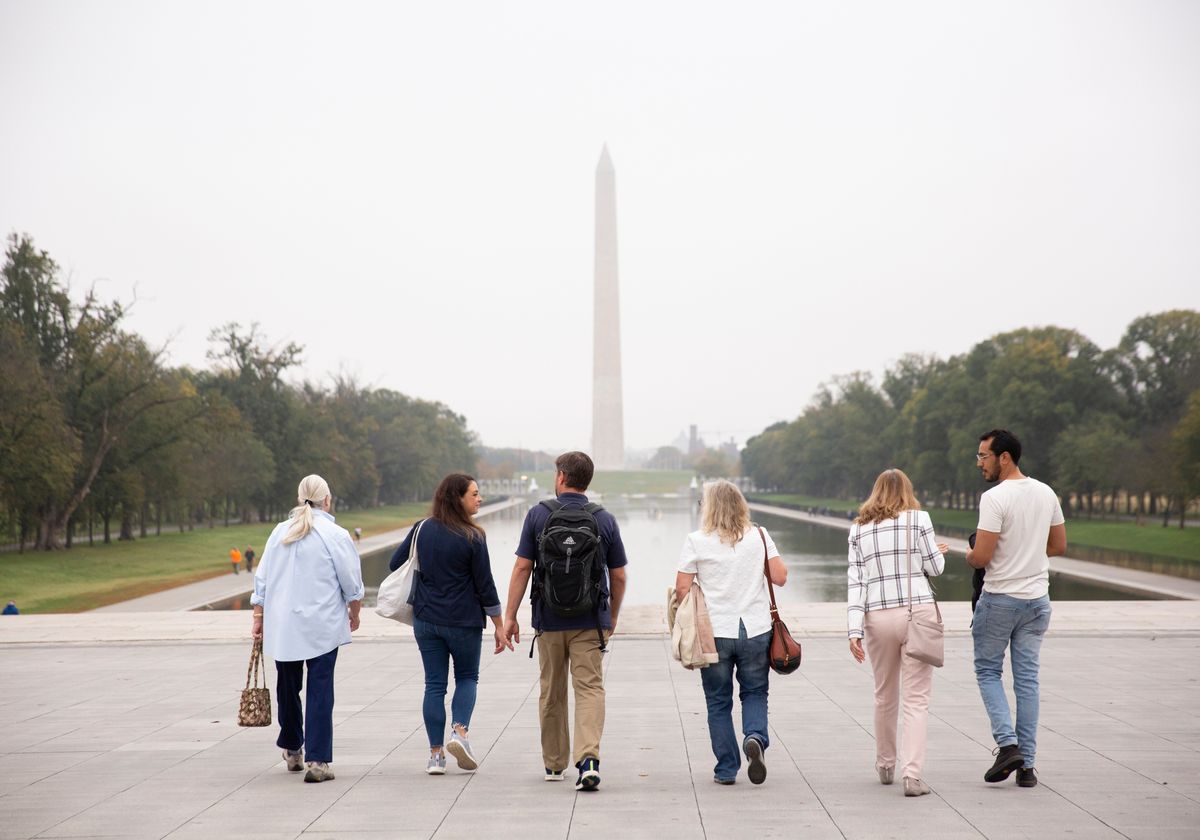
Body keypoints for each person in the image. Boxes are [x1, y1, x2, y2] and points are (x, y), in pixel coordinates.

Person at [502, 451, 628, 791]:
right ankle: (588, 760)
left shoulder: (538, 515)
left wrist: (510, 616)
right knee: (589, 689)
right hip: (590, 620)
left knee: (551, 691)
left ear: (561, 476)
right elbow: (618, 576)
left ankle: (555, 764)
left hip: (548, 618)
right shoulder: (604, 519)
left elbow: (522, 568)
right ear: (587, 480)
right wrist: (611, 616)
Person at [389, 474, 512, 775]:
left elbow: (395, 563)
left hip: (427, 619)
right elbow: (485, 585)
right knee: (468, 677)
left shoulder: (422, 529)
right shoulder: (473, 535)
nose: (479, 498)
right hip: (463, 620)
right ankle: (459, 732)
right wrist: (499, 624)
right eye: (474, 494)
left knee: (434, 685)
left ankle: (435, 756)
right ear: (457, 498)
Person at [966, 429, 1067, 789]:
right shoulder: (1046, 492)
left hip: (1001, 599)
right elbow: (1058, 546)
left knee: (988, 672)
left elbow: (982, 556)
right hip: (1037, 599)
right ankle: (1027, 766)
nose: (979, 463)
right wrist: (1027, 552)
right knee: (1027, 681)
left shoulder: (995, 498)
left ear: (1003, 457)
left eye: (983, 456)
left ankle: (1007, 745)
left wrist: (967, 554)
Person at [251, 474, 364, 784]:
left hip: (284, 624)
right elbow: (351, 583)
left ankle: (292, 747)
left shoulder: (279, 532)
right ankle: (317, 759)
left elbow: (262, 579)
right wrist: (354, 612)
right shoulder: (335, 534)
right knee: (320, 691)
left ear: (299, 498)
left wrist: (258, 616)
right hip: (322, 625)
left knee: (287, 689)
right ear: (327, 500)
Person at [674, 479, 786, 786]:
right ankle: (754, 737)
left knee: (718, 701)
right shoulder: (760, 536)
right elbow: (780, 577)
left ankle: (726, 768)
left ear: (708, 507)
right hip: (755, 629)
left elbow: (682, 587)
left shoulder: (697, 540)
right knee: (754, 692)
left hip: (715, 631)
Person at [847, 469, 948, 797]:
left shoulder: (858, 529)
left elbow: (856, 582)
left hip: (878, 615)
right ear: (907, 490)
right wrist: (937, 551)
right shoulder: (919, 520)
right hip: (916, 611)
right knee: (916, 699)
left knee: (884, 693)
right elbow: (935, 568)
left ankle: (886, 764)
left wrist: (853, 630)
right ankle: (912, 775)